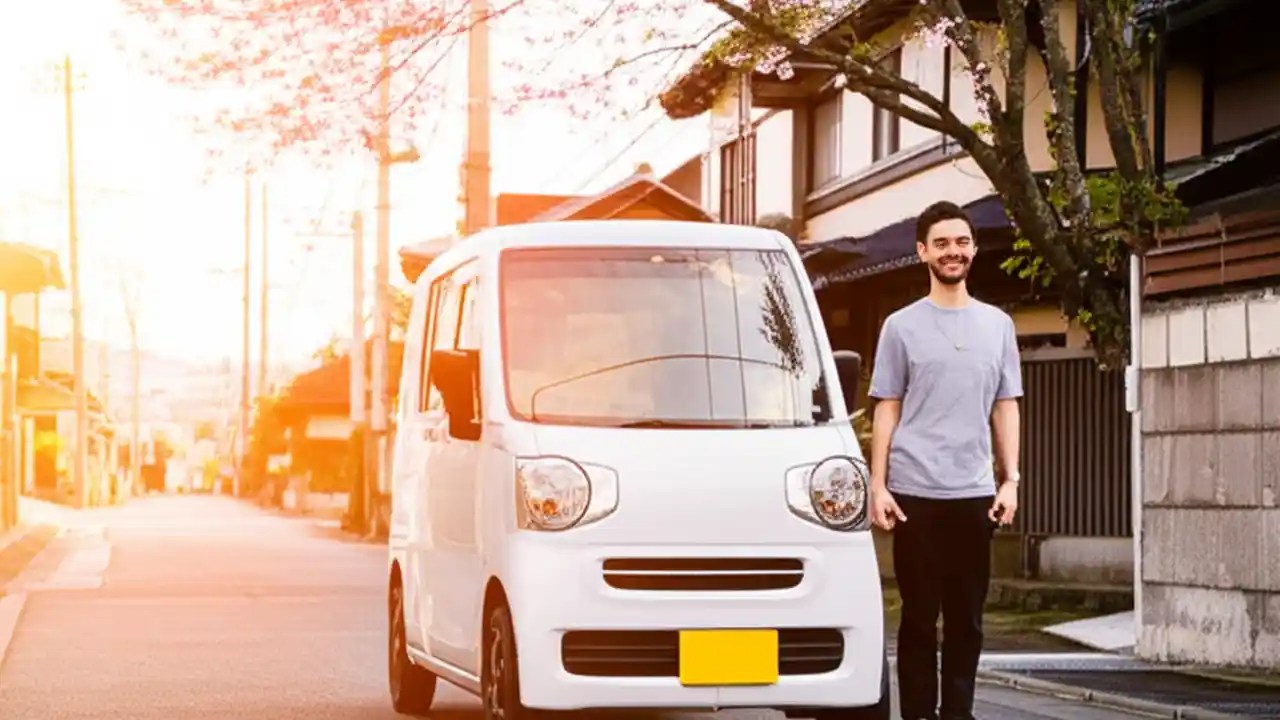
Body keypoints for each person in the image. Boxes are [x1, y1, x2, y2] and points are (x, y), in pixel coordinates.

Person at [866, 200, 1024, 720]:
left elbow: (1005, 405)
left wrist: (1010, 480)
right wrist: (878, 484)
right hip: (914, 494)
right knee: (918, 618)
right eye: (941, 243)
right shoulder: (900, 326)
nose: (952, 251)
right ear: (922, 252)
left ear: (973, 249)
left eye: (960, 242)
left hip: (973, 492)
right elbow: (887, 407)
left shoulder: (998, 325)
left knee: (967, 620)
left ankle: (957, 713)